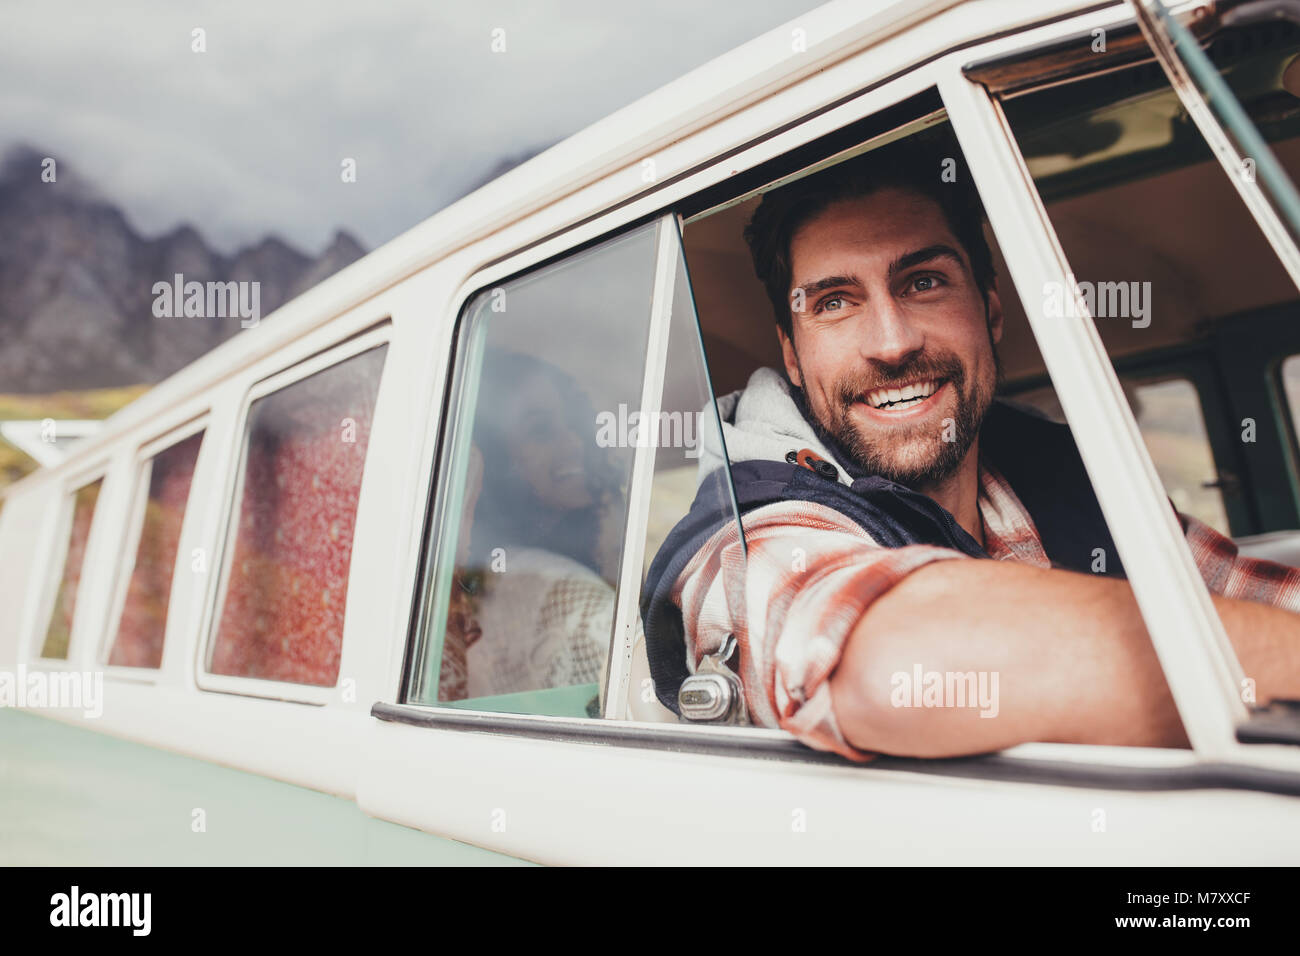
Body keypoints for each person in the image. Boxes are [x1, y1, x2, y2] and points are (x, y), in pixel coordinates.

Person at [641, 131, 1300, 761]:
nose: (892, 342)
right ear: (791, 351)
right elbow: (890, 663)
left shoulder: (1064, 468)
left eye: (923, 281)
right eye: (835, 302)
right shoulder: (752, 526)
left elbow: (1238, 594)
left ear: (990, 310)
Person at [440, 350, 620, 709]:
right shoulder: (566, 595)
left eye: (575, 423)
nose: (573, 443)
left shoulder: (597, 546)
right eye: (541, 430)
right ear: (498, 455)